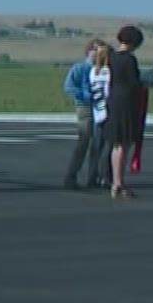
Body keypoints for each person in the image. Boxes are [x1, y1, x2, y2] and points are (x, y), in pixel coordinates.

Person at [106, 25, 146, 200]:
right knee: (124, 143)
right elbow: (133, 83)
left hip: (113, 100)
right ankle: (118, 183)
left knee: (117, 144)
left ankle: (116, 180)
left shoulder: (112, 57)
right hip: (127, 103)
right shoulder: (129, 60)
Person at [62, 38, 102, 190]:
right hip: (84, 108)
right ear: (89, 51)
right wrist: (84, 95)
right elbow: (69, 86)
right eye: (96, 50)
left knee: (98, 144)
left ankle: (94, 177)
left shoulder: (102, 70)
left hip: (99, 108)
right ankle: (71, 177)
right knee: (83, 142)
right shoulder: (80, 68)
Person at [88, 44, 113, 191]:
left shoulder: (93, 72)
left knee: (97, 147)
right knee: (108, 147)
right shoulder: (109, 72)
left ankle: (93, 176)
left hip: (97, 111)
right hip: (109, 112)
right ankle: (105, 176)